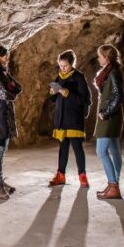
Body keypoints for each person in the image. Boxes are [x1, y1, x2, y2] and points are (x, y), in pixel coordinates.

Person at [47, 50, 91, 188]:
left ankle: (83, 176)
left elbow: (85, 100)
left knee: (77, 148)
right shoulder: (59, 77)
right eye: (61, 65)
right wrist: (53, 93)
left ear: (72, 64)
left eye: (65, 65)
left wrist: (68, 93)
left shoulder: (79, 77)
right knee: (63, 148)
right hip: (61, 119)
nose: (63, 68)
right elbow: (54, 99)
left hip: (74, 119)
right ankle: (60, 176)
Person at [0, 45, 23, 200]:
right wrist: (10, 89)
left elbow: (18, 88)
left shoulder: (3, 72)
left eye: (7, 55)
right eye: (4, 55)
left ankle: (0, 180)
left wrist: (10, 89)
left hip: (6, 114)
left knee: (4, 148)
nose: (7, 58)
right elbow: (5, 93)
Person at [93, 44, 124, 200]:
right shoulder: (110, 72)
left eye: (100, 56)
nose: (98, 58)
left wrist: (105, 113)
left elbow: (118, 96)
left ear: (106, 57)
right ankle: (114, 184)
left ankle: (113, 185)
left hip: (109, 117)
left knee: (101, 151)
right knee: (115, 151)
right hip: (112, 116)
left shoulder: (112, 73)